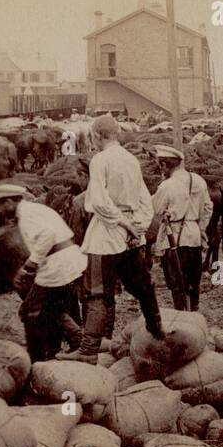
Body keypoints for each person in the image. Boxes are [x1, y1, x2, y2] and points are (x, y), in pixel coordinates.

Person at [58, 115, 162, 364]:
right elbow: (145, 200)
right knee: (141, 284)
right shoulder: (131, 160)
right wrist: (137, 226)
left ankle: (87, 351)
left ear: (96, 135)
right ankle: (157, 328)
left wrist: (122, 223)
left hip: (105, 234)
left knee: (97, 293)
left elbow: (98, 202)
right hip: (130, 236)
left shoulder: (100, 160)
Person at [0, 184, 86, 362]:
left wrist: (29, 266)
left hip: (57, 265)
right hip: (62, 262)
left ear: (11, 201)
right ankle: (72, 342)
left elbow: (47, 236)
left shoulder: (28, 214)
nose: (0, 210)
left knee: (30, 311)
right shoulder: (33, 210)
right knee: (52, 309)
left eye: (2, 204)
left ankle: (37, 358)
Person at [149, 145, 213, 312]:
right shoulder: (197, 180)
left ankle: (182, 318)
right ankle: (194, 314)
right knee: (194, 282)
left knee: (177, 284)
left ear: (164, 165)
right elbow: (207, 207)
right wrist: (201, 228)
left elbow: (156, 210)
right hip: (194, 236)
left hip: (174, 238)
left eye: (160, 166)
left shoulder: (167, 186)